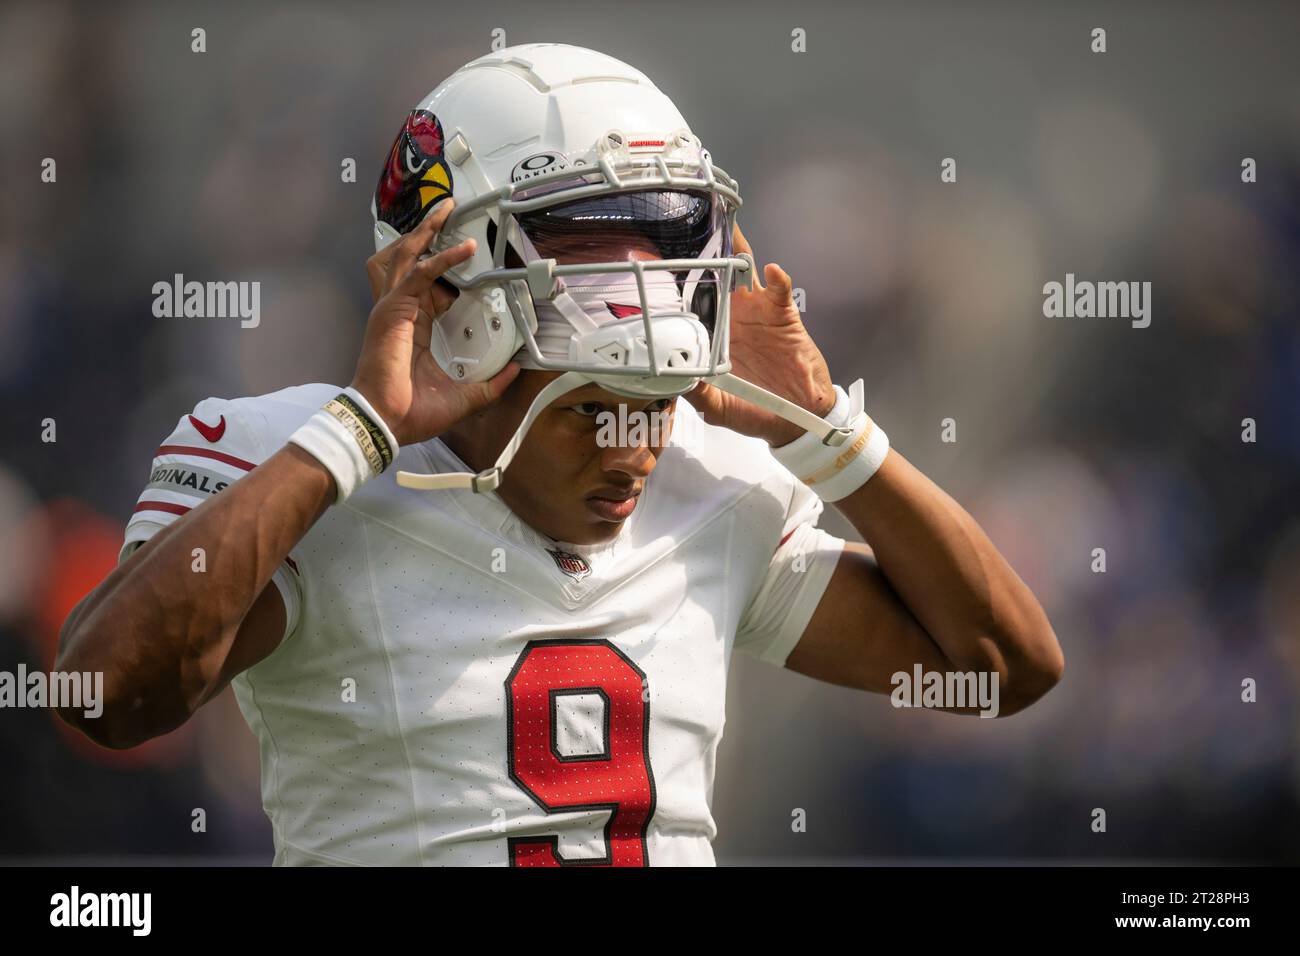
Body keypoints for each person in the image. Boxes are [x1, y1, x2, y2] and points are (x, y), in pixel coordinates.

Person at [55, 43, 1062, 866]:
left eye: (659, 398)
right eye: (596, 401)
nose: (638, 445)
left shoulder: (713, 485)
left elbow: (999, 667)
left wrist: (829, 435)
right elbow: (105, 695)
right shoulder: (306, 464)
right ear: (465, 328)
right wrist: (354, 435)